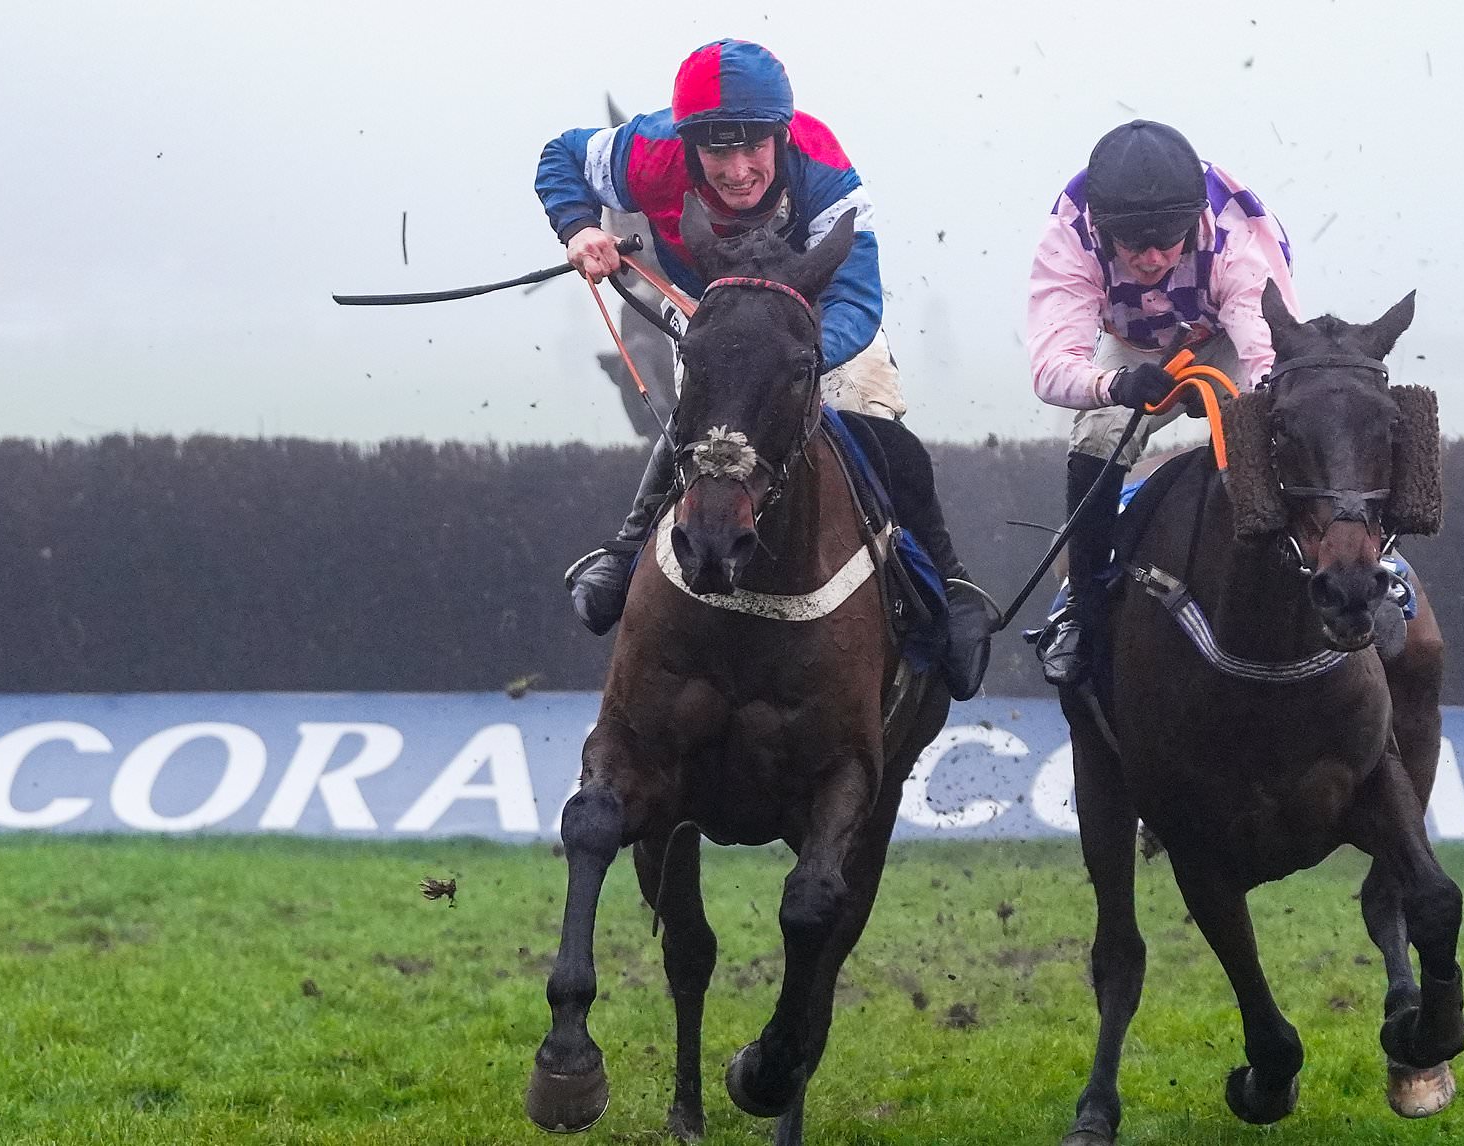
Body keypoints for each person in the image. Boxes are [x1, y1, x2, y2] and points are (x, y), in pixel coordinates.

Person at [535, 39, 991, 699]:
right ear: (689, 144)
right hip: (716, 319)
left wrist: (790, 358)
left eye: (754, 148)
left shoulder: (827, 173)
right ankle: (626, 550)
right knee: (702, 420)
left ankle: (949, 588)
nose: (739, 170)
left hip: (818, 326)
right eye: (718, 151)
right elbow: (561, 156)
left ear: (782, 137)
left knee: (867, 416)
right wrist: (579, 227)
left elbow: (858, 300)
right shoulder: (648, 149)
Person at [1025, 120, 1298, 685]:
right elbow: (1051, 367)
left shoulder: (1238, 237)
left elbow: (1266, 355)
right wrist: (1115, 386)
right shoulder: (1070, 232)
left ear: (1194, 220)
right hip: (1133, 343)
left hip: (1226, 332)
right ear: (1101, 227)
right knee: (1098, 431)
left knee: (1275, 422)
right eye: (1132, 243)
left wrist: (1258, 399)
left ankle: (1337, 573)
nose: (1150, 258)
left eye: (1166, 240)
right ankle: (1084, 606)